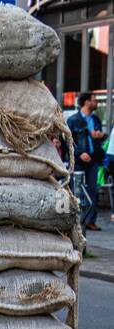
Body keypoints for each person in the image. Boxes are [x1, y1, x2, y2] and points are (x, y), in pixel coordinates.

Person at [68, 92, 106, 232]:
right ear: (86, 102)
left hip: (93, 159)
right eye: (94, 100)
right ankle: (74, 218)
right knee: (76, 189)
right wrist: (79, 154)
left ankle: (90, 220)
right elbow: (69, 141)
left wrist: (100, 136)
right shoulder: (73, 120)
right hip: (79, 160)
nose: (96, 103)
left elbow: (99, 139)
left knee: (93, 189)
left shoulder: (95, 119)